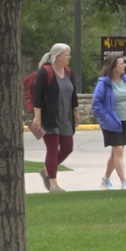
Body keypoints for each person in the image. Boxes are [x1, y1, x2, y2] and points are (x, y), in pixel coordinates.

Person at [31, 43, 79, 193]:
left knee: (67, 148)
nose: (69, 57)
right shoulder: (45, 72)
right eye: (67, 54)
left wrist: (76, 112)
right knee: (52, 149)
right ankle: (53, 184)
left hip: (66, 118)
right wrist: (37, 117)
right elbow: (37, 97)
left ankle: (47, 170)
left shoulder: (68, 72)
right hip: (49, 118)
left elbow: (73, 94)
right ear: (57, 56)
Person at [91, 55, 126, 190]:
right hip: (112, 122)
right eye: (121, 64)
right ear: (113, 67)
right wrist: (106, 118)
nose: (124, 66)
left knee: (116, 152)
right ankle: (124, 181)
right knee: (118, 150)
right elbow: (96, 104)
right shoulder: (104, 83)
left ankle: (105, 180)